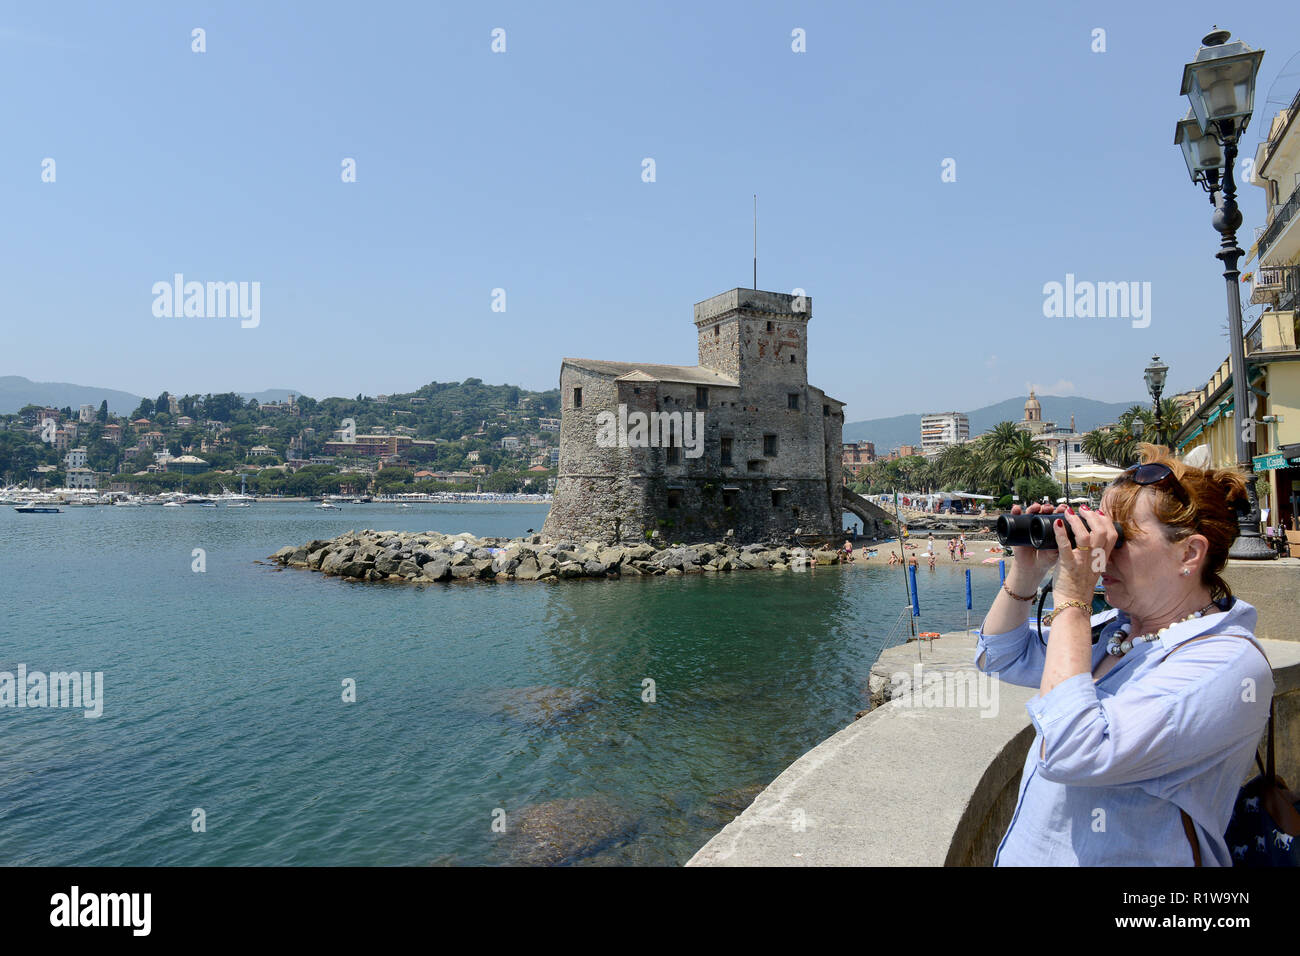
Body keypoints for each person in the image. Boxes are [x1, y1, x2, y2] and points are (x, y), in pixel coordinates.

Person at [974, 445, 1272, 865]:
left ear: (1189, 553)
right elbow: (999, 655)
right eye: (1100, 531)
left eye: (1120, 536)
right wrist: (1028, 570)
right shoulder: (1120, 628)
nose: (1102, 548)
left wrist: (1074, 599)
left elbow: (1069, 752)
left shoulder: (1223, 665)